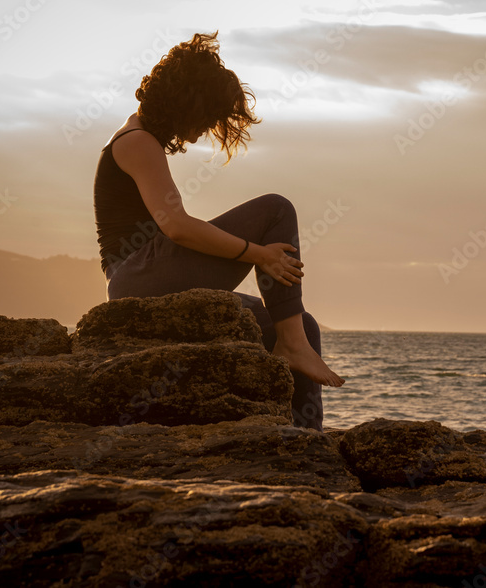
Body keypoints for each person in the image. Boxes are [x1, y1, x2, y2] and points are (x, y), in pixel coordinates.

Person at [92, 31, 344, 432]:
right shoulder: (137, 141)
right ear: (187, 103)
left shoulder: (143, 138)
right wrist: (259, 254)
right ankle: (293, 346)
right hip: (136, 277)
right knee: (277, 209)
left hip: (147, 275)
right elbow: (177, 228)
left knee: (302, 324)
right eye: (209, 113)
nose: (211, 126)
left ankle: (303, 439)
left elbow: (179, 229)